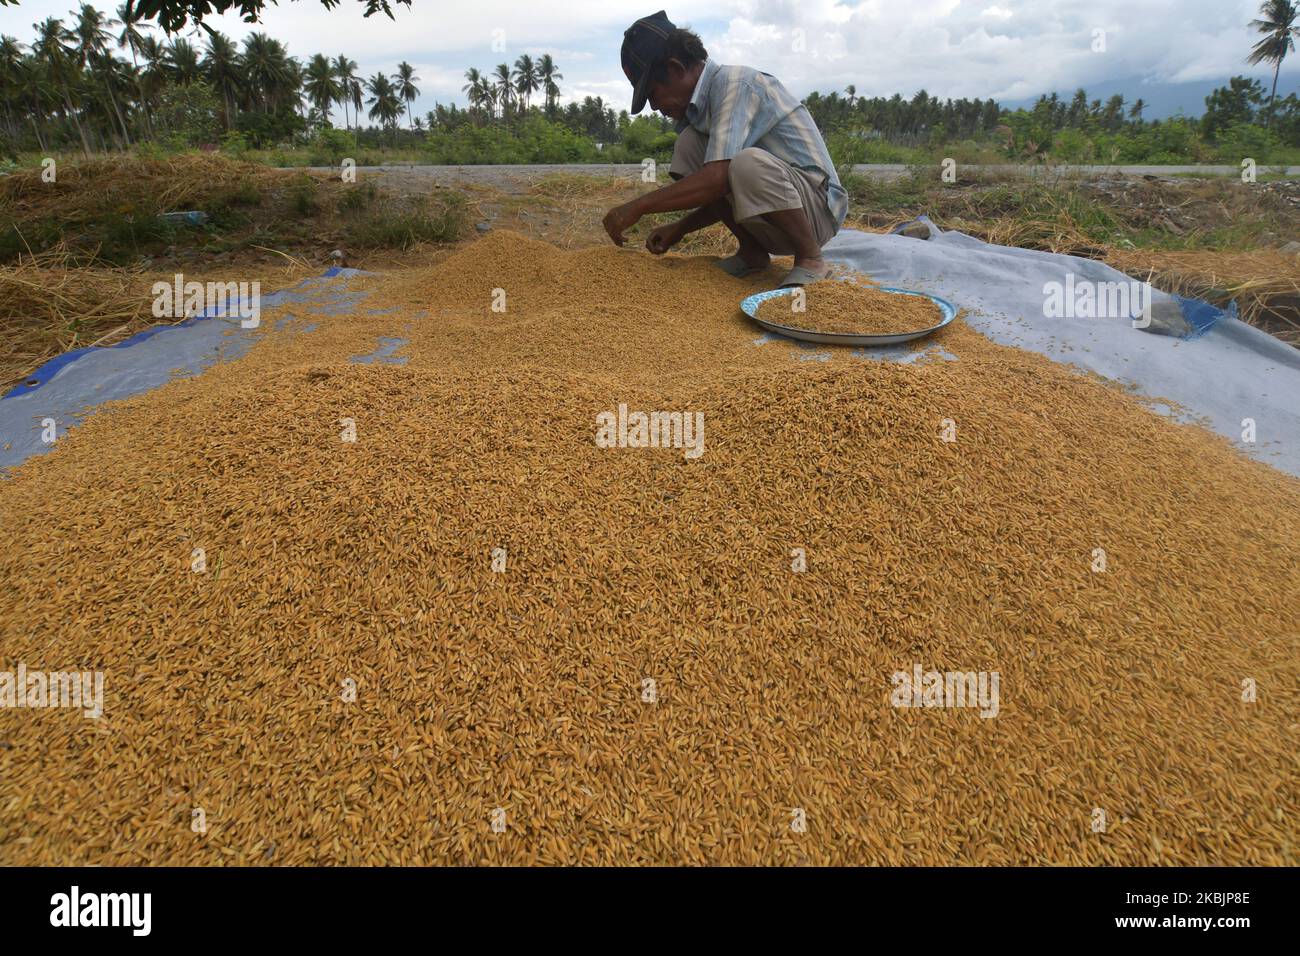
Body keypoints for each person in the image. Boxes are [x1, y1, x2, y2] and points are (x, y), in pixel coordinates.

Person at [602, 10, 848, 286]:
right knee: (689, 145)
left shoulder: (736, 86)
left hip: (817, 211)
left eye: (652, 93)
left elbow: (717, 180)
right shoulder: (698, 116)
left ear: (676, 68)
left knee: (745, 163)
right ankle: (752, 252)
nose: (655, 106)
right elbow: (724, 188)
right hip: (775, 221)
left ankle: (811, 258)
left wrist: (639, 206)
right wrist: (679, 229)